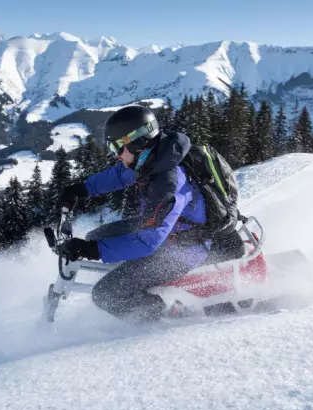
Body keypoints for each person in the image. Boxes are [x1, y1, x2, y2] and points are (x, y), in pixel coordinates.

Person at [58, 105, 219, 322]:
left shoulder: (168, 183)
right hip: (168, 232)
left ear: (137, 142)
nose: (115, 155)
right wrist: (81, 190)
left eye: (116, 147)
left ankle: (166, 315)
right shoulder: (155, 158)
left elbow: (150, 240)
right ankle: (131, 277)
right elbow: (118, 175)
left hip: (182, 250)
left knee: (106, 294)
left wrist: (92, 251)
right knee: (96, 237)